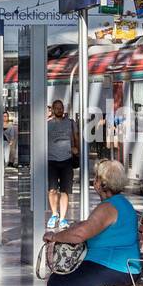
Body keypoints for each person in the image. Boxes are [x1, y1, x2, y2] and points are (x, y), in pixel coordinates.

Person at [44, 158, 142, 286]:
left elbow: (81, 235)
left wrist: (55, 236)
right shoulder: (116, 204)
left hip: (116, 268)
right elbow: (88, 226)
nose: (94, 182)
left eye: (96, 178)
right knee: (58, 281)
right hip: (111, 265)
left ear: (103, 183)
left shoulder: (109, 208)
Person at [47, 99, 78, 230]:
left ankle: (63, 218)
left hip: (67, 159)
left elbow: (76, 136)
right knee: (52, 189)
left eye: (61, 108)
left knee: (65, 190)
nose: (60, 110)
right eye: (57, 108)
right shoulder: (48, 124)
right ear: (53, 110)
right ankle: (54, 213)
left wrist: (77, 149)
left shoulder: (71, 123)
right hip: (51, 160)